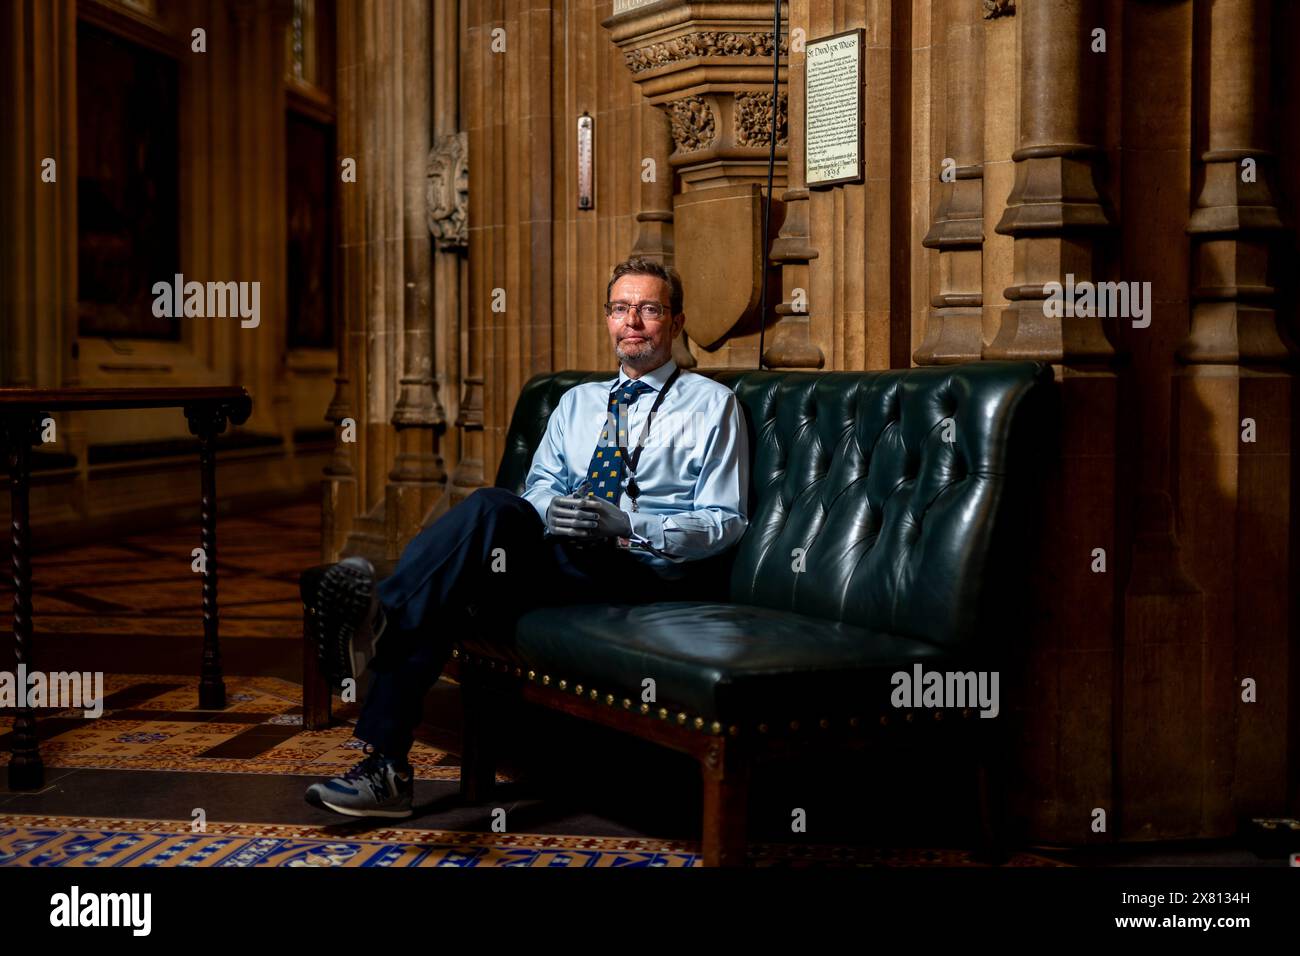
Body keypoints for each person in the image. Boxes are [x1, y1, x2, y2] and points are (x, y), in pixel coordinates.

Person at [304, 256, 750, 818]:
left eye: (649, 309)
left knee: (444, 582)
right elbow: (538, 487)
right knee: (491, 509)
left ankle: (383, 639)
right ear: (608, 319)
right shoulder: (579, 403)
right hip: (560, 556)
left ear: (677, 322)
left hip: (637, 570)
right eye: (620, 308)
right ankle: (386, 764)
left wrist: (631, 524)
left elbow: (725, 520)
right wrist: (552, 510)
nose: (631, 321)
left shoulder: (713, 406)